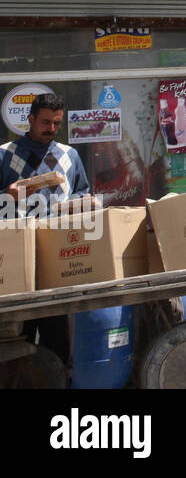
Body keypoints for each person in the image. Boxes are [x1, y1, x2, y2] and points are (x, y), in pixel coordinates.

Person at [0, 93, 92, 367]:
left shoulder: (69, 155)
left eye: (56, 123)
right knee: (16, 343)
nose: (50, 128)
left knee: (58, 343)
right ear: (29, 120)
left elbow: (82, 194)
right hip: (17, 264)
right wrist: (7, 195)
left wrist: (81, 206)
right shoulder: (5, 155)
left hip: (58, 259)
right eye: (44, 122)